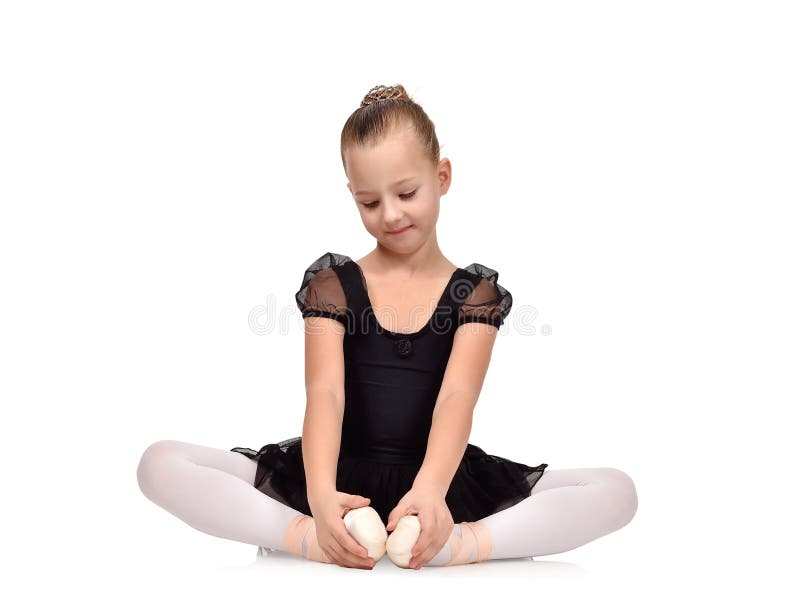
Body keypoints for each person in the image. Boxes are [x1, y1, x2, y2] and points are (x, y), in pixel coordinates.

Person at [136, 84, 638, 571]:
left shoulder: (472, 294)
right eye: (370, 203)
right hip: (338, 473)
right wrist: (319, 495)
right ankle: (309, 536)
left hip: (439, 479)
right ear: (352, 195)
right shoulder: (334, 284)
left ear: (441, 176)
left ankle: (460, 544)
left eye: (406, 192)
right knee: (158, 463)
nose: (391, 215)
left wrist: (430, 492)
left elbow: (456, 399)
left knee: (617, 490)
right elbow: (326, 394)